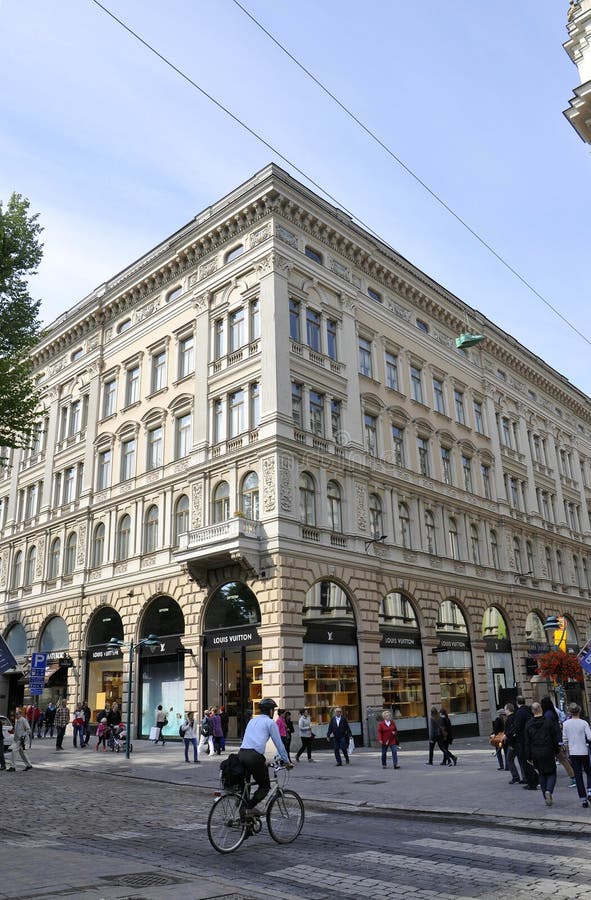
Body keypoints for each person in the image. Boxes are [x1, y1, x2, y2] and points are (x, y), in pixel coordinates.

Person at [238, 697, 290, 816]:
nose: (273, 712)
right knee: (265, 786)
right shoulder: (270, 723)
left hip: (241, 754)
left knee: (245, 786)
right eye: (273, 710)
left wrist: (263, 761)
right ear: (270, 711)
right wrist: (287, 761)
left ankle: (244, 815)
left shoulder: (252, 721)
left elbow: (250, 740)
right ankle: (249, 808)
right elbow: (279, 744)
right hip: (254, 757)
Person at [525, 701, 560, 806]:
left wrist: (528, 755)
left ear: (532, 711)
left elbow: (527, 741)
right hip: (548, 750)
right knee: (552, 773)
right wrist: (556, 750)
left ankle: (545, 796)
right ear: (541, 709)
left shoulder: (529, 724)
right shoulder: (548, 722)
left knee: (541, 773)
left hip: (535, 751)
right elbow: (554, 737)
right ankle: (549, 790)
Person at [540, 696, 576, 787]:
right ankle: (573, 777)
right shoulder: (553, 713)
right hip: (557, 739)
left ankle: (572, 777)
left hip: (552, 741)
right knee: (563, 759)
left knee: (559, 760)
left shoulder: (547, 715)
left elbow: (548, 728)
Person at [561, 703, 591, 808]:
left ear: (570, 712)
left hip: (573, 752)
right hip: (584, 751)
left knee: (578, 776)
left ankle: (583, 799)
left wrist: (566, 751)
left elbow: (564, 739)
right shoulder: (584, 723)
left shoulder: (566, 724)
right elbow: (590, 737)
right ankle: (590, 791)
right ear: (579, 711)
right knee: (589, 772)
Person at [513, 696, 537, 790]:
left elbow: (517, 727)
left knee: (525, 762)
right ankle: (534, 779)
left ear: (517, 702)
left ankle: (531, 781)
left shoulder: (519, 712)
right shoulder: (529, 710)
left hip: (522, 740)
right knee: (530, 761)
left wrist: (513, 734)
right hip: (530, 738)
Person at [504, 703, 522, 783]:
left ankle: (515, 777)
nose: (505, 711)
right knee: (520, 760)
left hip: (512, 743)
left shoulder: (509, 719)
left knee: (509, 759)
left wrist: (510, 743)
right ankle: (524, 777)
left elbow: (510, 731)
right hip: (518, 742)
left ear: (508, 709)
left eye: (505, 709)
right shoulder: (516, 717)